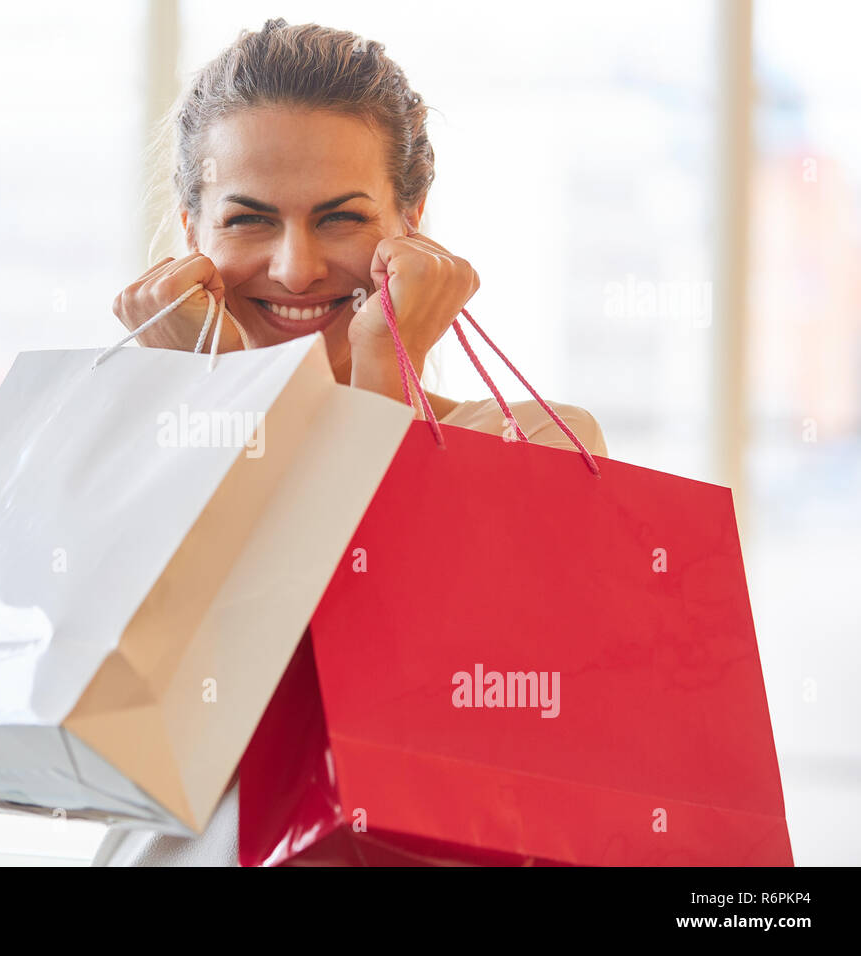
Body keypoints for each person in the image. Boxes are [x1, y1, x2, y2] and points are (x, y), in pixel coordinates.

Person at [92, 18, 607, 867]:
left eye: (340, 219)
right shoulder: (142, 458)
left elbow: (427, 693)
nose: (296, 269)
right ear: (192, 235)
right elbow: (94, 739)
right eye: (249, 221)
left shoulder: (536, 443)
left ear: (411, 221)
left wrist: (384, 378)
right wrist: (215, 405)